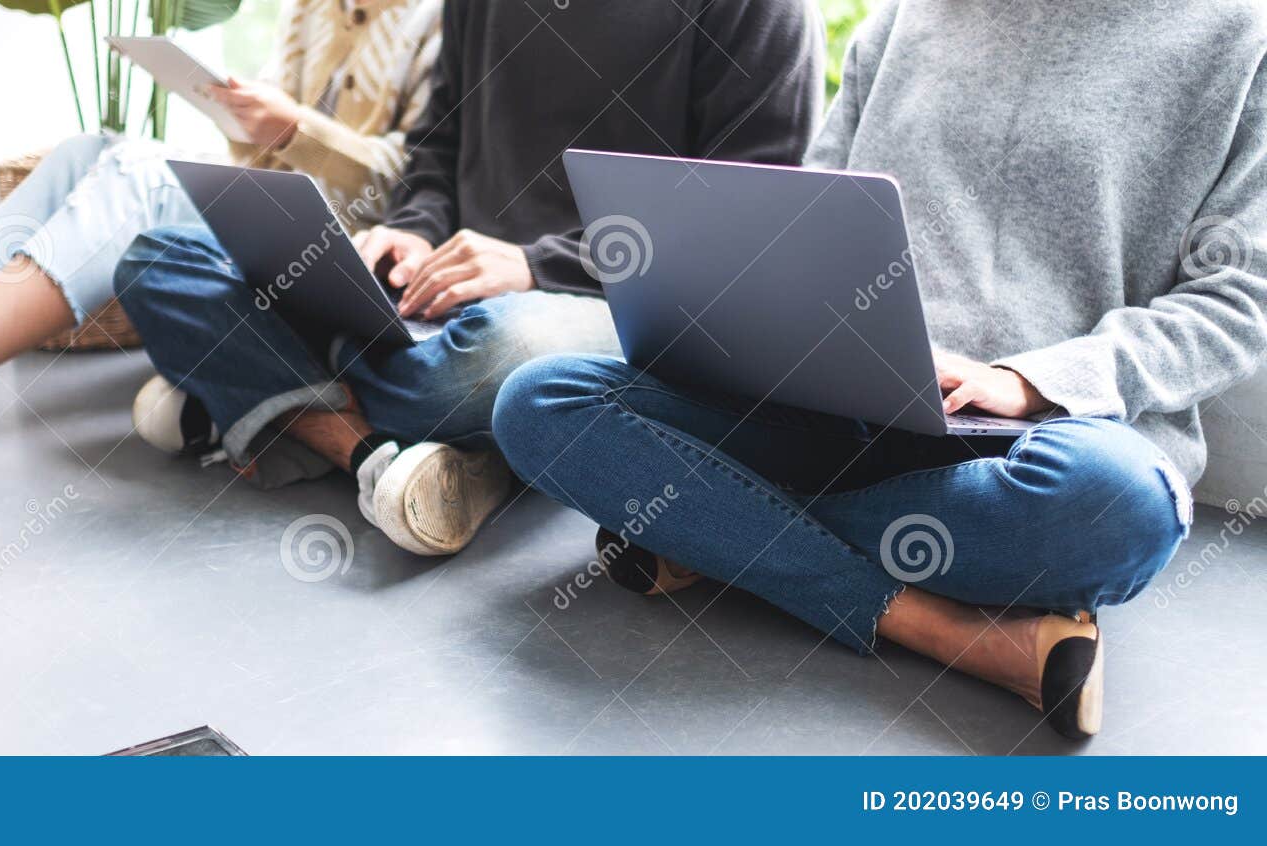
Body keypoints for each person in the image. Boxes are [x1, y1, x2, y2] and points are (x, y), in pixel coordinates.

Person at [491, 0, 1267, 738]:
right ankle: (937, 627)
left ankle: (721, 532)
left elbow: (1238, 300)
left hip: (1032, 443)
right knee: (541, 403)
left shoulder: (1240, 37)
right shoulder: (905, 14)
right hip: (835, 408)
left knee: (1123, 507)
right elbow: (811, 215)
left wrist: (1031, 380)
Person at [117, 0, 824, 555]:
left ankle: (278, 393)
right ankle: (376, 448)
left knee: (507, 363)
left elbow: (740, 219)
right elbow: (437, 144)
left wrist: (535, 264)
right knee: (159, 259)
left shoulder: (763, 9)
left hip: (585, 301)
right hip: (437, 287)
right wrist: (411, 228)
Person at [0, 0, 444, 480]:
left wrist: (293, 128)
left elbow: (418, 189)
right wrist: (245, 118)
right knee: (85, 150)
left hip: (349, 246)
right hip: (275, 217)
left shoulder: (443, 19)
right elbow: (258, 157)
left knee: (136, 175)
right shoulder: (313, 8)